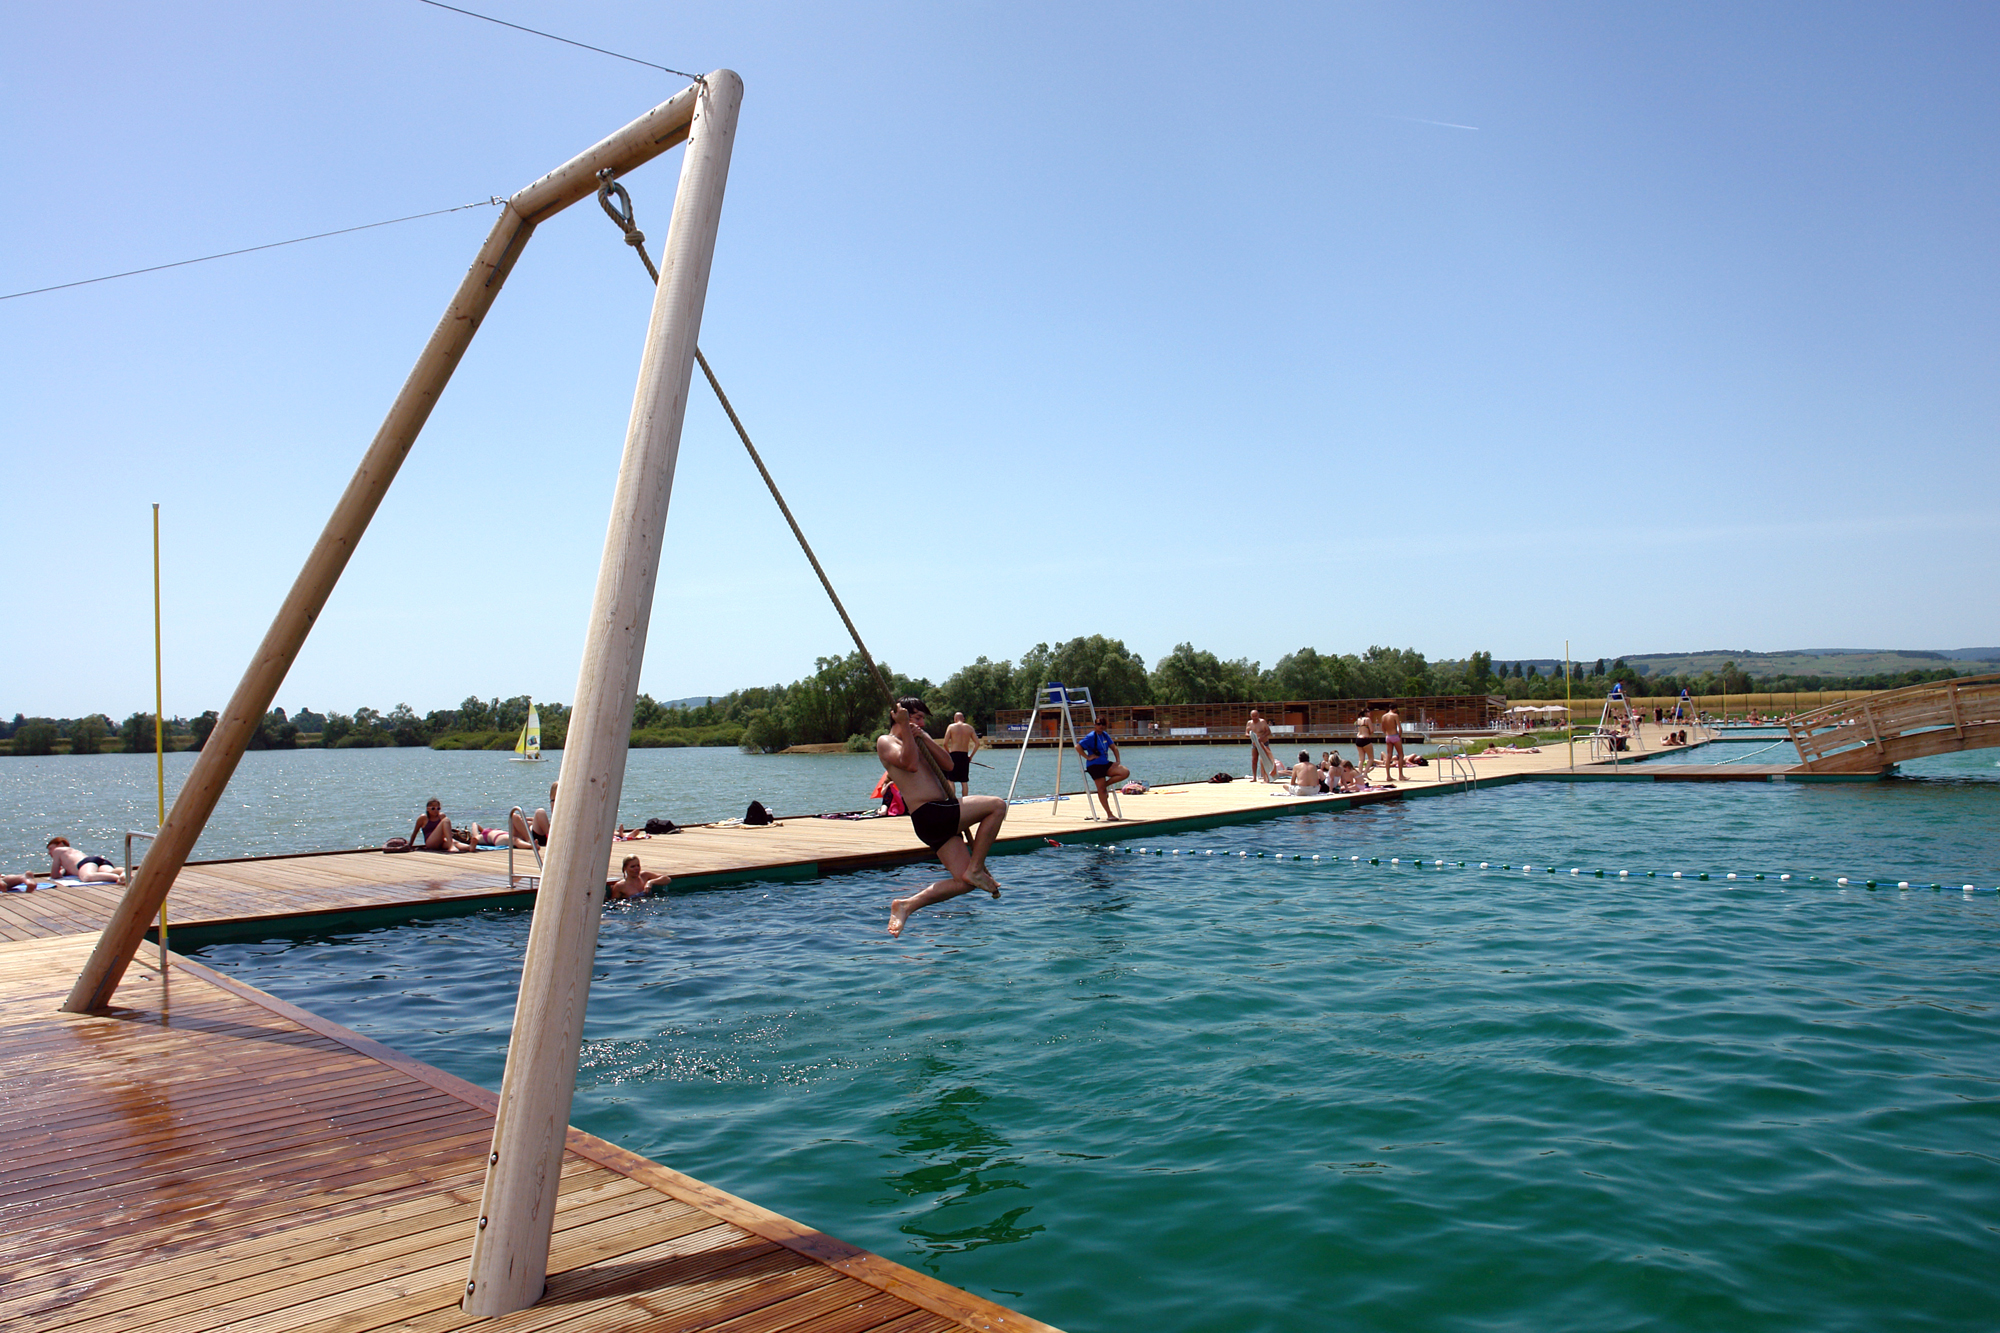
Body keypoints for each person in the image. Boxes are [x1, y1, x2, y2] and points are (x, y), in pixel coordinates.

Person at [878, 698, 1006, 937]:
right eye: (916, 718)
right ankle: (976, 868)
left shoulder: (918, 739)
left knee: (964, 882)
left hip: (942, 813)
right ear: (899, 717)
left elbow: (948, 765)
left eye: (922, 719)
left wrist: (923, 737)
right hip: (930, 813)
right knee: (997, 806)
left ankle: (906, 905)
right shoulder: (886, 741)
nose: (921, 722)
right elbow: (910, 764)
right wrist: (907, 729)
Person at [1076, 717, 1130, 817]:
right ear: (1095, 725)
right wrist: (1087, 757)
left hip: (1105, 763)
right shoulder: (1091, 736)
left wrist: (1117, 760)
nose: (1101, 726)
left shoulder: (1105, 735)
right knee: (1102, 791)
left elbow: (1114, 747)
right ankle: (1109, 814)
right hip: (1095, 765)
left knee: (1124, 772)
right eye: (1099, 724)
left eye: (1103, 724)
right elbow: (1077, 747)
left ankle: (1105, 784)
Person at [45, 836, 125, 883]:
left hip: (86, 863)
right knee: (109, 871)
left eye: (50, 849)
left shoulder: (57, 851)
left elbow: (54, 875)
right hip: (94, 862)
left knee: (86, 877)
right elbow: (65, 871)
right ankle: (123, 872)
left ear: (59, 844)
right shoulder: (71, 853)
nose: (49, 852)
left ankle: (117, 878)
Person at [944, 711, 980, 799]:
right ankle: (965, 799)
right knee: (964, 781)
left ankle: (952, 799)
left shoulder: (951, 727)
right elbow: (977, 743)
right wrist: (970, 756)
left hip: (954, 755)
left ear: (955, 719)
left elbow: (945, 743)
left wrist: (948, 754)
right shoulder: (969, 728)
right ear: (963, 719)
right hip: (964, 755)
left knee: (951, 780)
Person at [511, 781, 557, 848]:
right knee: (514, 816)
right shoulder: (516, 837)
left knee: (540, 812)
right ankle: (530, 841)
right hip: (534, 837)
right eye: (553, 801)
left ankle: (531, 841)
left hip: (535, 837)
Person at [1245, 710, 1277, 781]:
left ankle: (1266, 776)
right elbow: (1246, 733)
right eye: (1253, 716)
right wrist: (1251, 735)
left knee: (1265, 759)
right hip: (1255, 743)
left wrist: (1262, 737)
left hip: (1264, 742)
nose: (1254, 718)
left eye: (1256, 716)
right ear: (1251, 716)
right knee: (1254, 759)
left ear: (1258, 715)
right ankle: (1254, 777)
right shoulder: (1249, 723)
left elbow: (1268, 731)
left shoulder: (1262, 722)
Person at [1380, 706, 1405, 782]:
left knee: (1388, 756)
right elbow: (1399, 728)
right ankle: (1400, 775)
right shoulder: (1395, 715)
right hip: (1395, 736)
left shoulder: (1384, 716)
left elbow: (1383, 728)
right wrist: (1399, 736)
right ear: (1395, 709)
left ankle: (1388, 776)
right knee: (1401, 755)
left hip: (1388, 736)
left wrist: (1387, 734)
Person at [1354, 709, 1377, 775]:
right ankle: (1365, 773)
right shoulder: (1367, 719)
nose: (1370, 713)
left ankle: (1360, 773)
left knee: (1361, 759)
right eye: (1368, 711)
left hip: (1358, 739)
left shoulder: (1358, 720)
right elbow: (1372, 730)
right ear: (1365, 713)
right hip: (1365, 739)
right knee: (1371, 758)